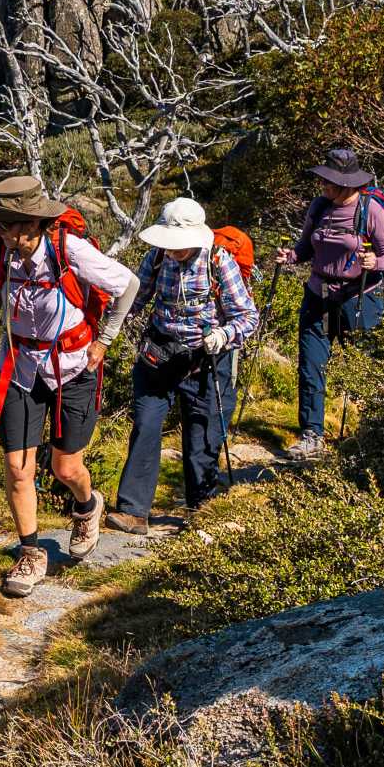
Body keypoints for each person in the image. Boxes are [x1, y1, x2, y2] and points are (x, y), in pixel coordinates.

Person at [0, 176, 139, 598]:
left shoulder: (69, 251)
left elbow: (127, 286)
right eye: (7, 227)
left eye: (24, 227)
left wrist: (105, 341)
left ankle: (87, 505)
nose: (16, 236)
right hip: (21, 369)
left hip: (75, 367)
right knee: (17, 469)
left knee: (65, 468)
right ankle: (31, 550)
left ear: (41, 224)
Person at [105, 195, 260, 534]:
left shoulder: (219, 262)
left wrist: (223, 335)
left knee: (201, 437)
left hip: (206, 360)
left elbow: (248, 317)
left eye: (178, 245)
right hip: (159, 354)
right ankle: (133, 511)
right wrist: (106, 328)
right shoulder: (156, 257)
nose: (173, 250)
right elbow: (135, 298)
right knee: (146, 424)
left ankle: (201, 510)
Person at [275, 146, 384, 460]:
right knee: (311, 366)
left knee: (358, 369)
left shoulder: (370, 211)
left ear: (347, 184)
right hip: (318, 297)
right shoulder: (319, 207)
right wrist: (290, 257)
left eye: (328, 181)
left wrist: (375, 260)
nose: (322, 186)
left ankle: (373, 432)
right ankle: (311, 436)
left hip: (356, 300)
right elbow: (305, 248)